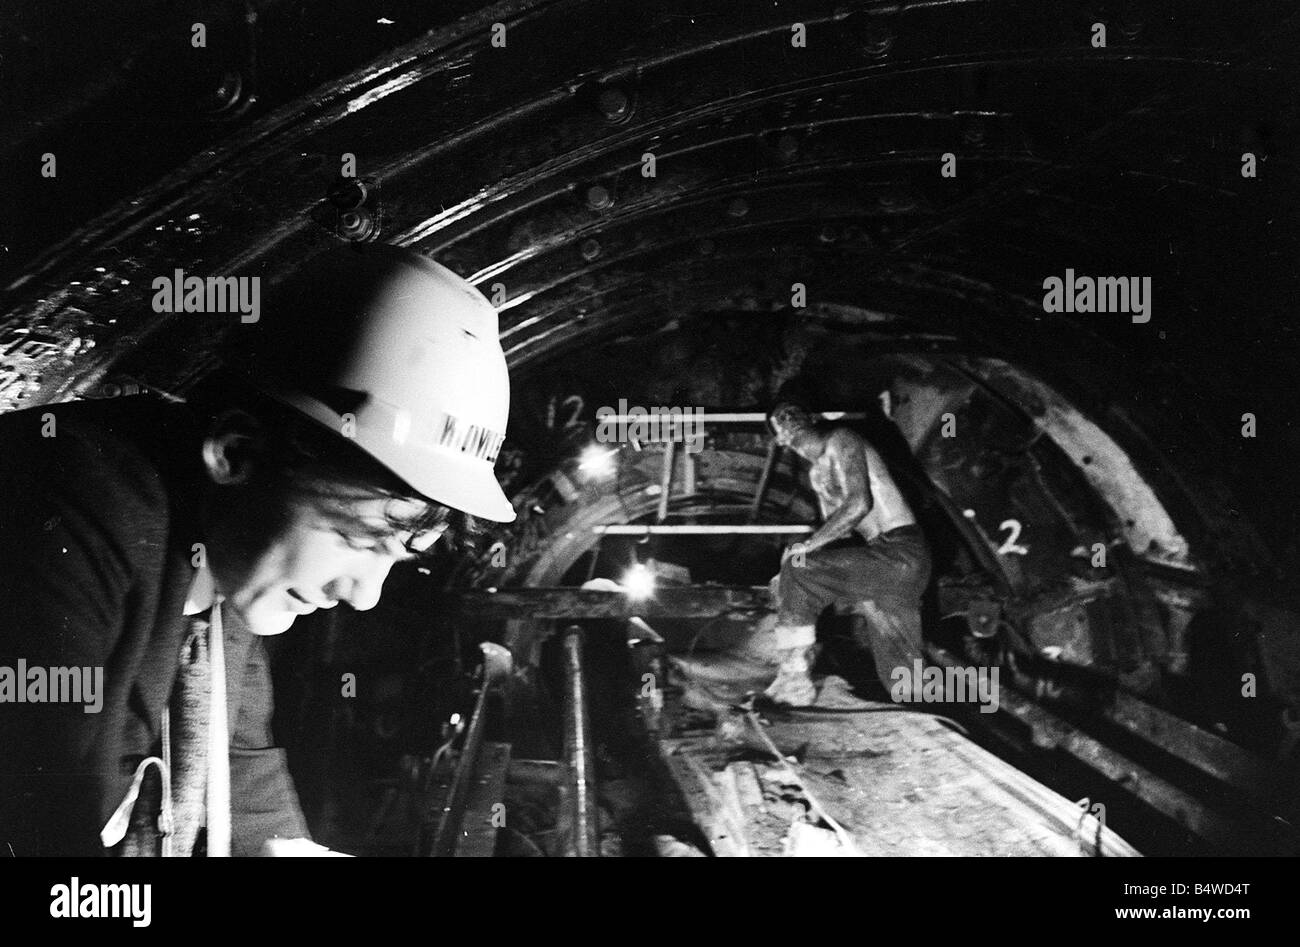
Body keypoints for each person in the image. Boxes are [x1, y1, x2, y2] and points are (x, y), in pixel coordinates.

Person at [0, 244, 515, 856]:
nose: (365, 595)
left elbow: (243, 779)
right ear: (236, 453)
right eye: (359, 539)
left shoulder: (225, 579)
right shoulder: (74, 508)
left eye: (396, 557)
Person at [764, 399, 931, 706]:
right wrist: (788, 568)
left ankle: (794, 678)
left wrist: (800, 557)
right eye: (782, 420)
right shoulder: (817, 475)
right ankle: (926, 722)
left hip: (901, 551)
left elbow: (858, 505)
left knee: (800, 569)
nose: (790, 422)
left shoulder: (842, 440)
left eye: (792, 415)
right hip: (884, 562)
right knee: (900, 671)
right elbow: (837, 529)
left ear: (809, 418)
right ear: (780, 439)